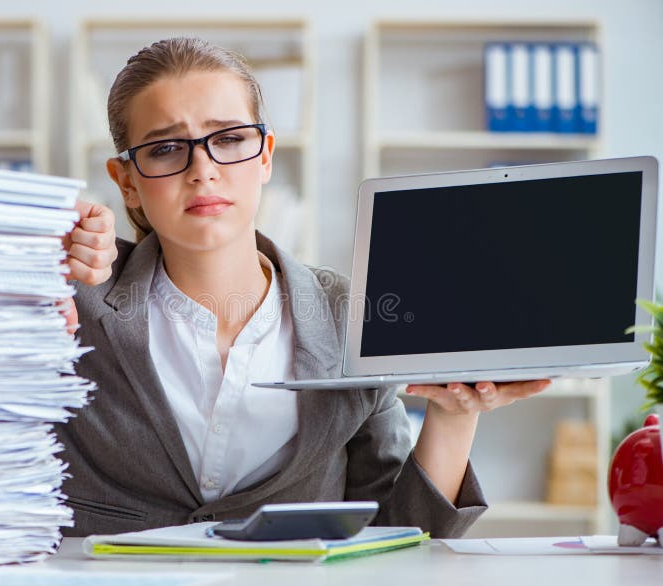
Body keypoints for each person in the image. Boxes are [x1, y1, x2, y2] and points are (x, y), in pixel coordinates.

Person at [56, 37, 551, 539]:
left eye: (228, 139)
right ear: (126, 182)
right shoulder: (68, 300)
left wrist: (454, 414)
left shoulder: (350, 317)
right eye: (165, 149)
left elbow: (399, 536)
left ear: (266, 155)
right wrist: (25, 248)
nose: (202, 170)